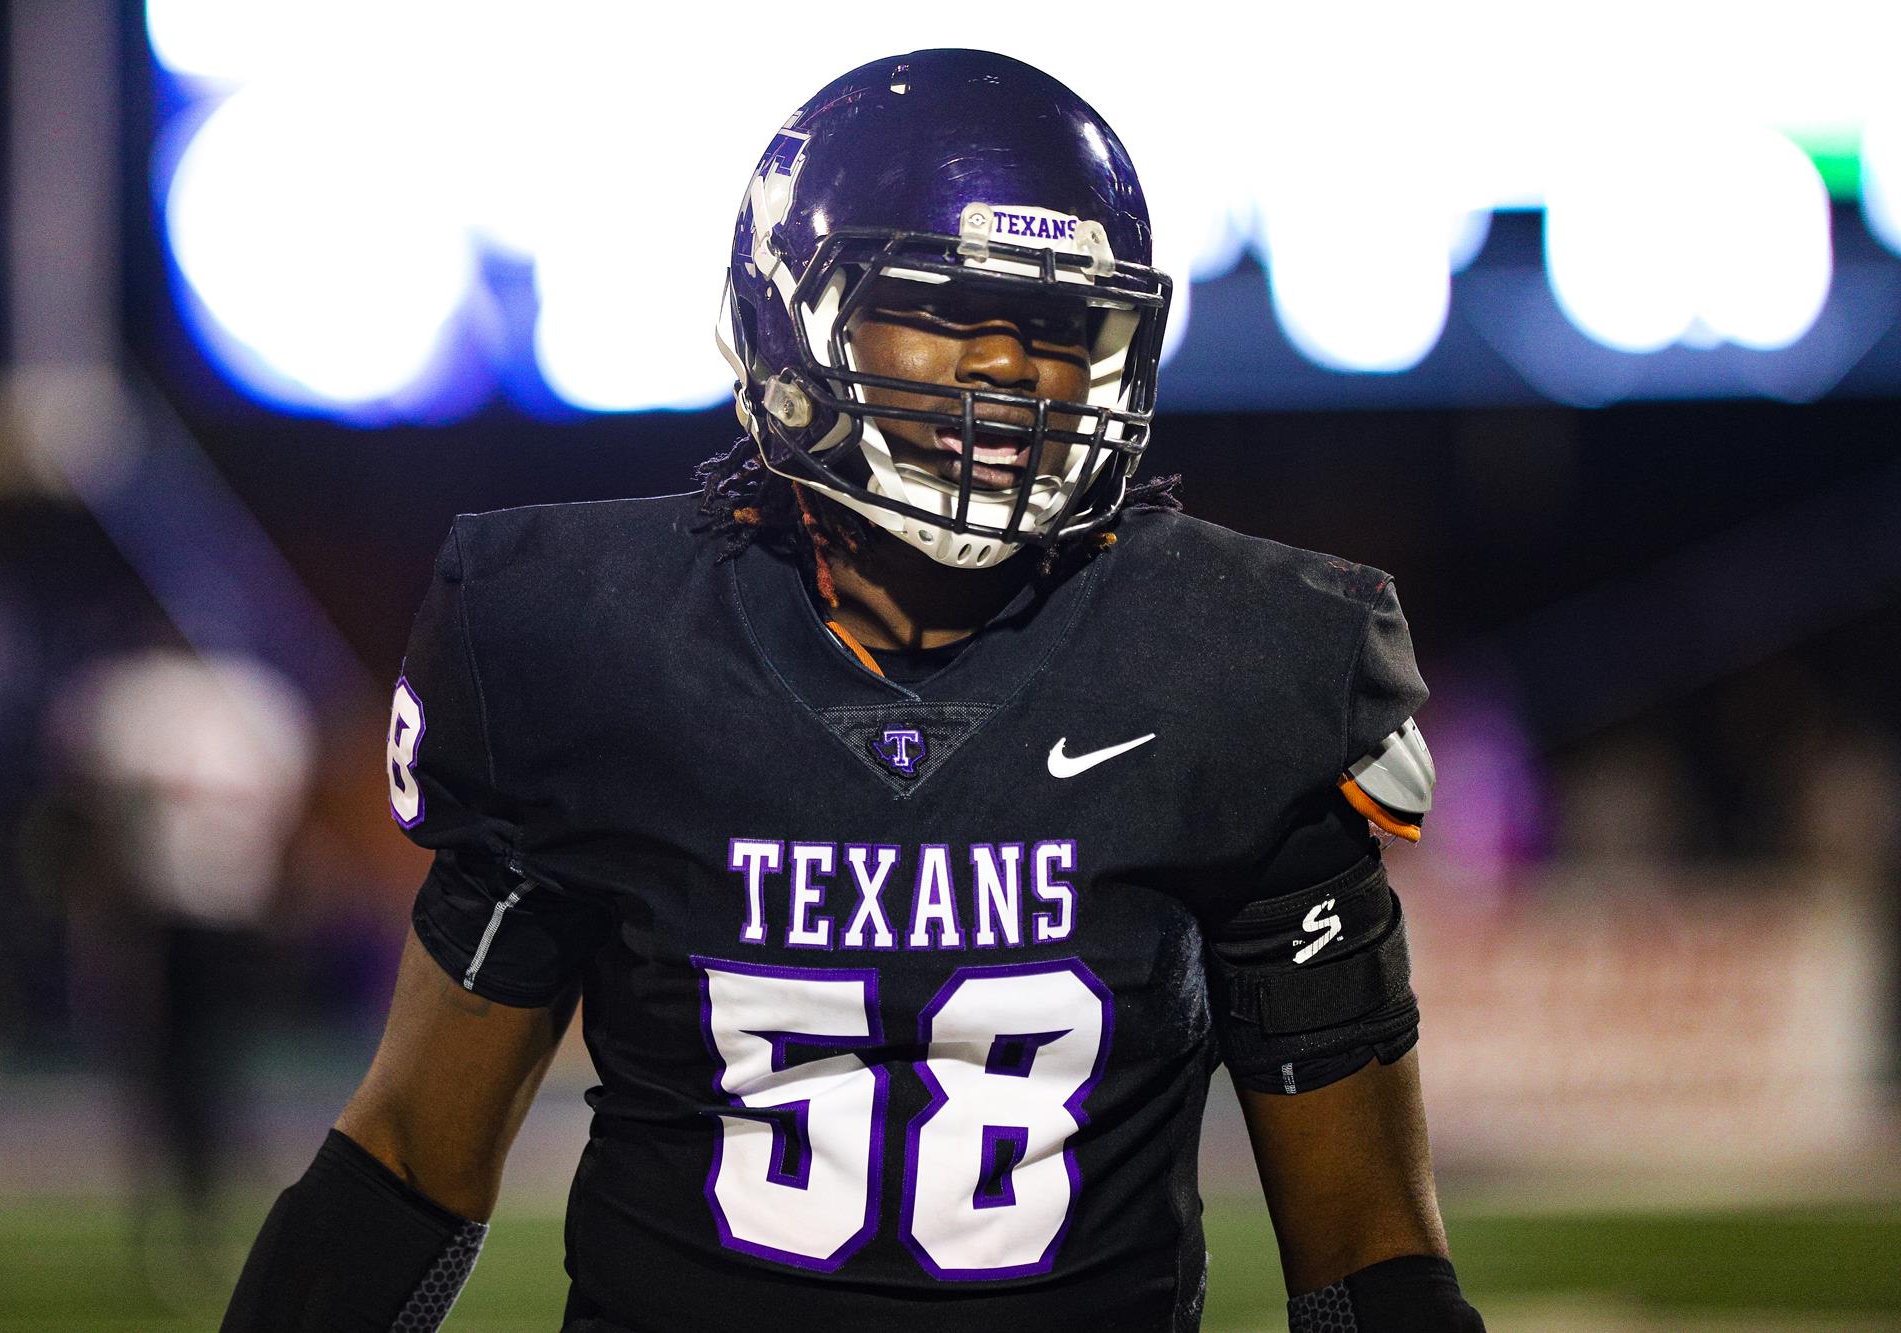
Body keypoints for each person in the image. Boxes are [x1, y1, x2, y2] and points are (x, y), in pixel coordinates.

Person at [224, 47, 1481, 1333]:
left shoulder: (1242, 659)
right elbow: (411, 1159)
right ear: (790, 323)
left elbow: (1367, 1248)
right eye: (942, 308)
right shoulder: (582, 640)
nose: (1008, 366)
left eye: (1059, 325)